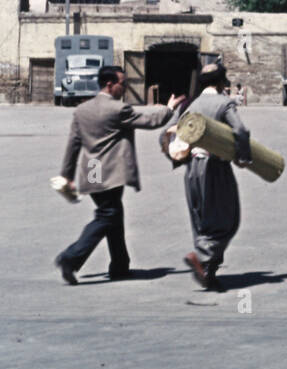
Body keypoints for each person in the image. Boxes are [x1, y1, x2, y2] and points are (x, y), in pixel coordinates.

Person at [54, 66, 183, 284]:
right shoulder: (118, 109)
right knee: (108, 214)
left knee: (113, 214)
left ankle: (120, 266)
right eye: (123, 83)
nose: (125, 88)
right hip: (109, 171)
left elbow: (73, 144)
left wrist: (67, 175)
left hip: (92, 169)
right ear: (109, 84)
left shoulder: (82, 110)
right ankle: (71, 258)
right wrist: (169, 109)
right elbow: (150, 122)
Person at [167, 63, 253, 291]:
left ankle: (208, 273)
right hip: (215, 166)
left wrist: (178, 156)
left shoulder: (189, 105)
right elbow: (241, 131)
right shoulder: (224, 103)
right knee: (228, 219)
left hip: (192, 167)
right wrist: (244, 156)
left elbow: (169, 131)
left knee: (201, 219)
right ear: (220, 82)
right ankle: (203, 257)